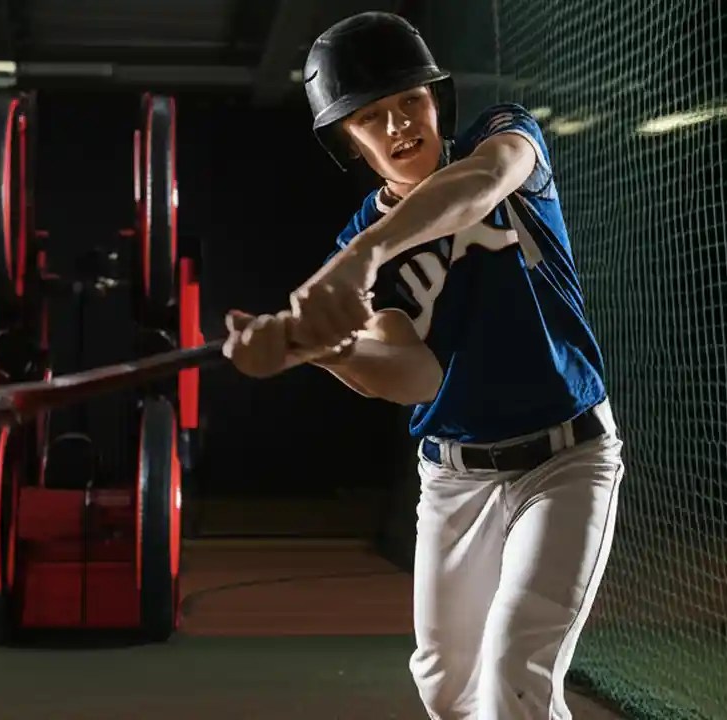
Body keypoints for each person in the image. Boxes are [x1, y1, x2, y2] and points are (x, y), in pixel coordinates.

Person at [222, 11, 625, 720]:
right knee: (447, 688)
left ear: (437, 98)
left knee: (514, 675)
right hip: (455, 477)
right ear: (348, 141)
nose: (399, 124)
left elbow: (480, 183)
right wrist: (316, 351)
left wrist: (359, 260)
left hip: (567, 460)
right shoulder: (360, 247)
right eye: (372, 117)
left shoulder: (502, 137)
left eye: (410, 100)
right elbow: (415, 376)